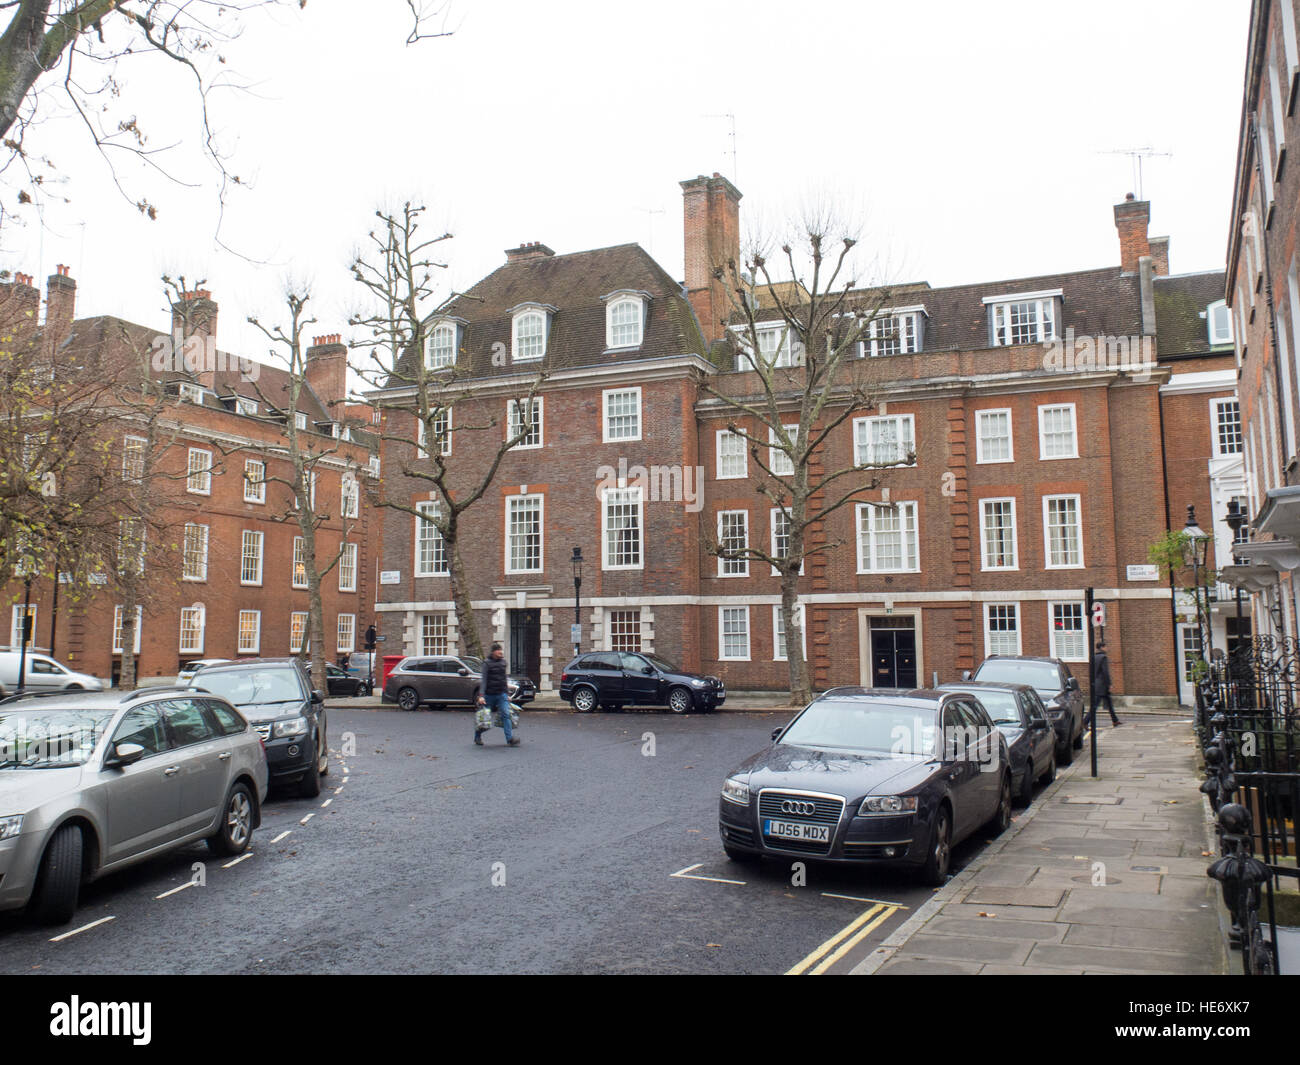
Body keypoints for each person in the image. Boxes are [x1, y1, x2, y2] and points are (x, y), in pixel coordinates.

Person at [476, 642, 520, 747]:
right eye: (498, 650)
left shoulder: (503, 663)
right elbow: (484, 680)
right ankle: (477, 735)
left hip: (501, 694)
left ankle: (510, 739)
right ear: (493, 652)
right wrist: (481, 695)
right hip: (489, 695)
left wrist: (507, 694)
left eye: (501, 650)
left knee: (506, 714)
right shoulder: (486, 663)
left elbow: (503, 680)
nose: (501, 652)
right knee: (485, 718)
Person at [1090, 642, 1120, 727]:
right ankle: (1085, 721)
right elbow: (1105, 672)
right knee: (1095, 706)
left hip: (1097, 683)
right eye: (1105, 647)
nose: (1107, 648)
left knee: (1109, 704)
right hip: (1102, 685)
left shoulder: (1094, 657)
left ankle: (1115, 720)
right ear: (1102, 647)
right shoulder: (1103, 658)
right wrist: (1109, 684)